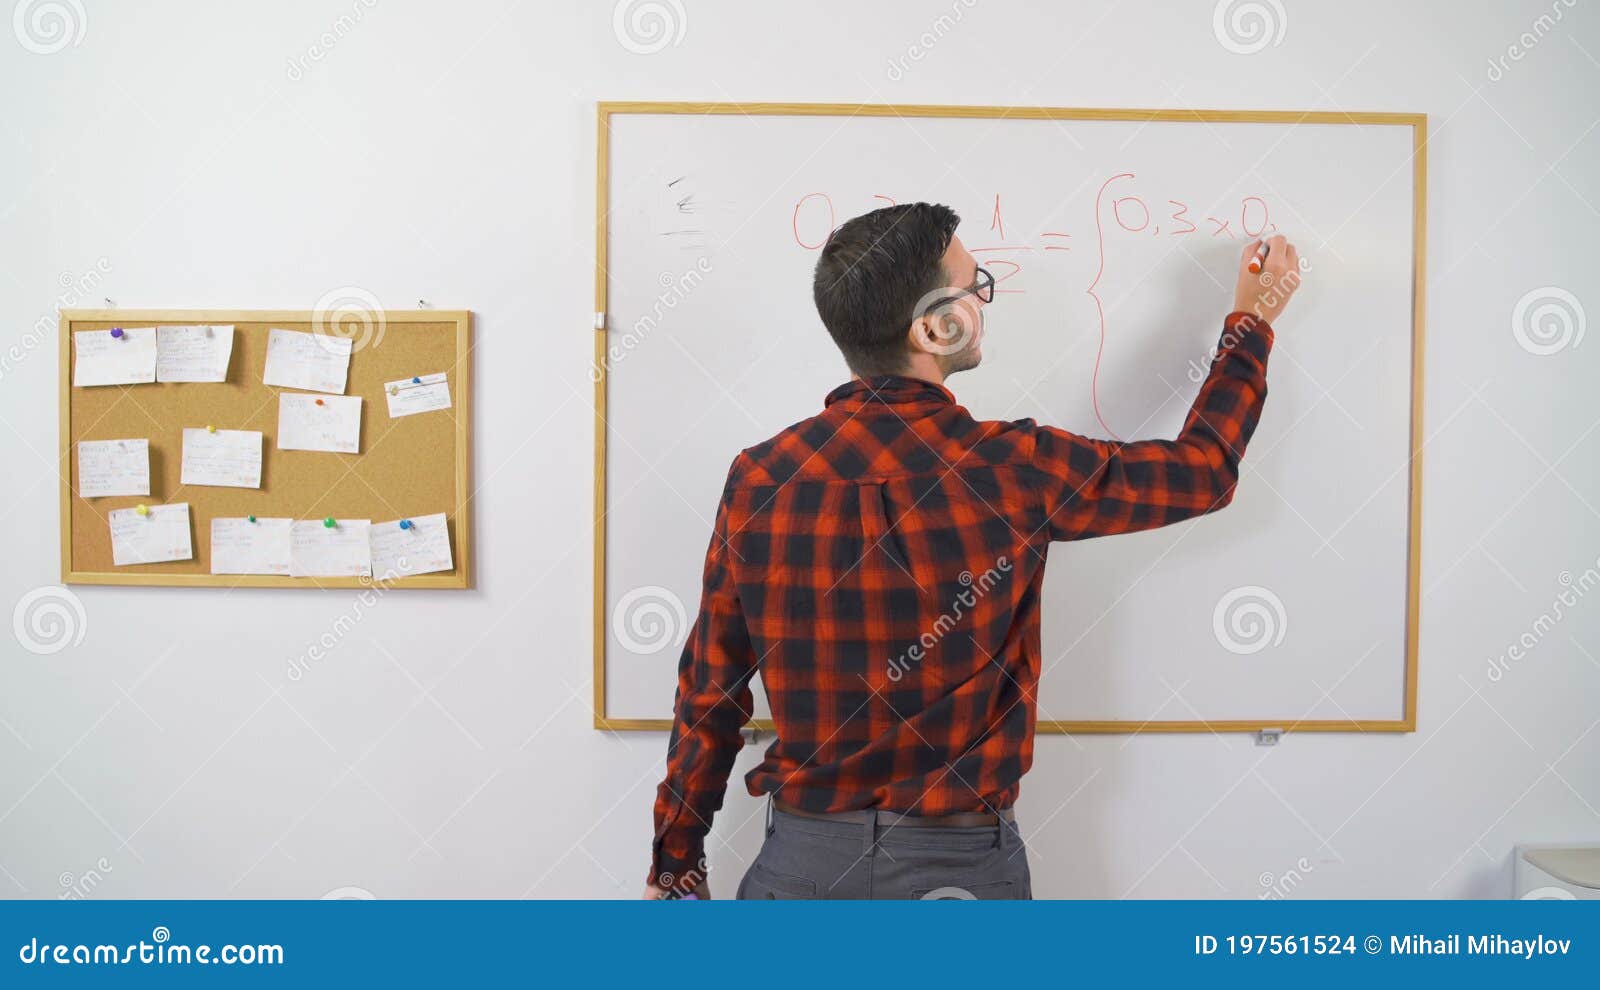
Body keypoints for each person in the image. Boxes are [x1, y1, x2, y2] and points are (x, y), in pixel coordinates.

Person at [643, 202, 1299, 899]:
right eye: (973, 286)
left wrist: (675, 861)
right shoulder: (1011, 469)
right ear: (933, 326)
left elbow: (710, 693)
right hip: (956, 876)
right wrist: (1250, 324)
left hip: (801, 869)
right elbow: (1202, 471)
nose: (983, 301)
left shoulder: (763, 478)